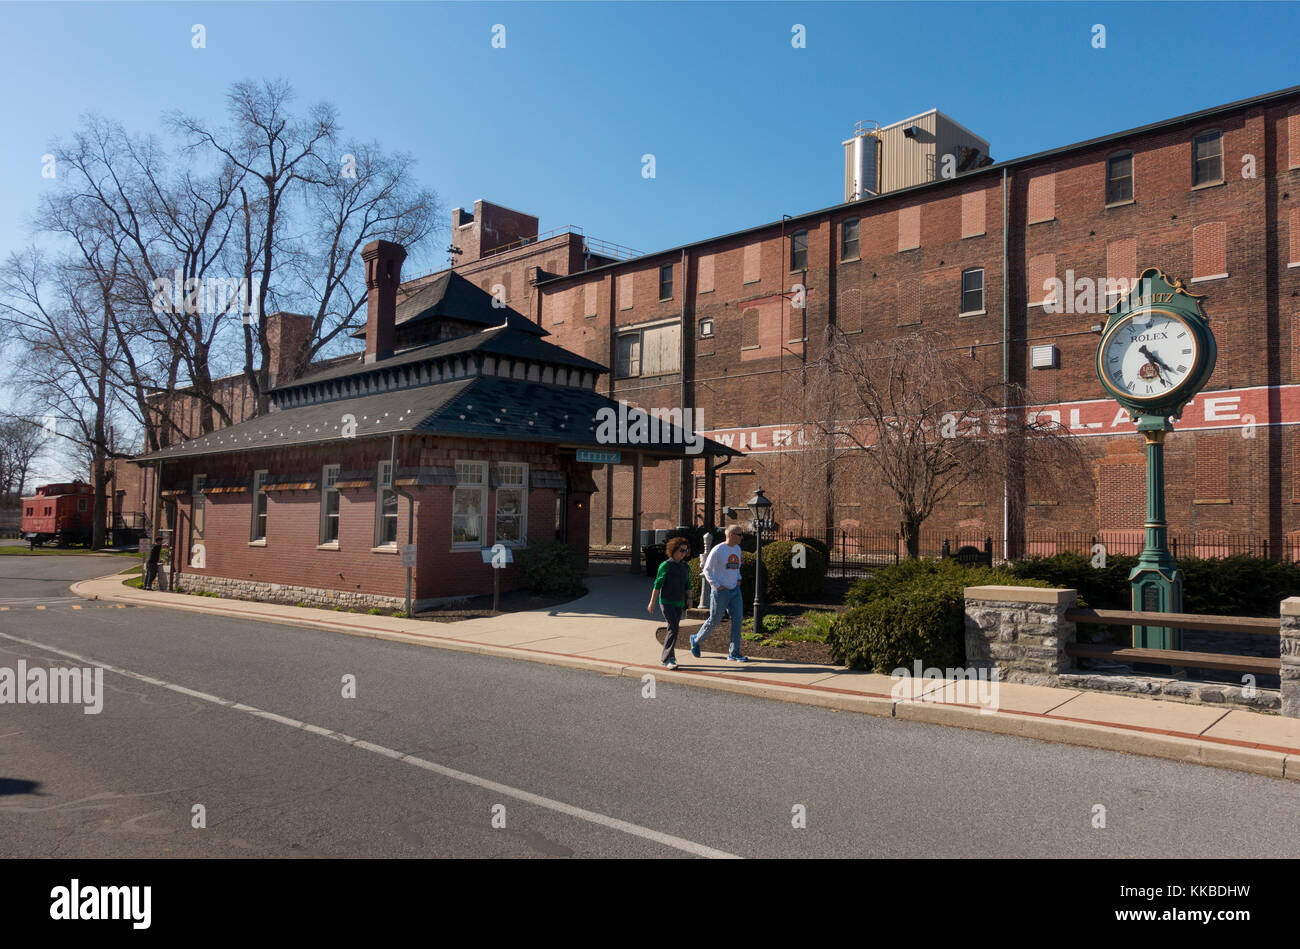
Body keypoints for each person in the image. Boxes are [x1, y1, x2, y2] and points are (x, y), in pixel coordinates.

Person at [690, 524, 748, 662]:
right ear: (731, 535)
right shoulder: (718, 550)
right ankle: (696, 640)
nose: (742, 537)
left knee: (737, 621)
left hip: (735, 591)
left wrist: (739, 579)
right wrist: (717, 585)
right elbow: (707, 570)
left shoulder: (738, 549)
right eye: (739, 534)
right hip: (721, 592)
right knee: (715, 620)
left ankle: (734, 653)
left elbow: (736, 568)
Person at [647, 537, 692, 670]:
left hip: (679, 602)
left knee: (673, 629)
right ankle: (667, 659)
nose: (684, 553)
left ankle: (670, 657)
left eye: (686, 550)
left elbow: (688, 583)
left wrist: (689, 598)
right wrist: (652, 602)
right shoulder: (665, 565)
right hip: (666, 601)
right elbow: (657, 585)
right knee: (673, 627)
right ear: (673, 550)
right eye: (681, 550)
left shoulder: (685, 566)